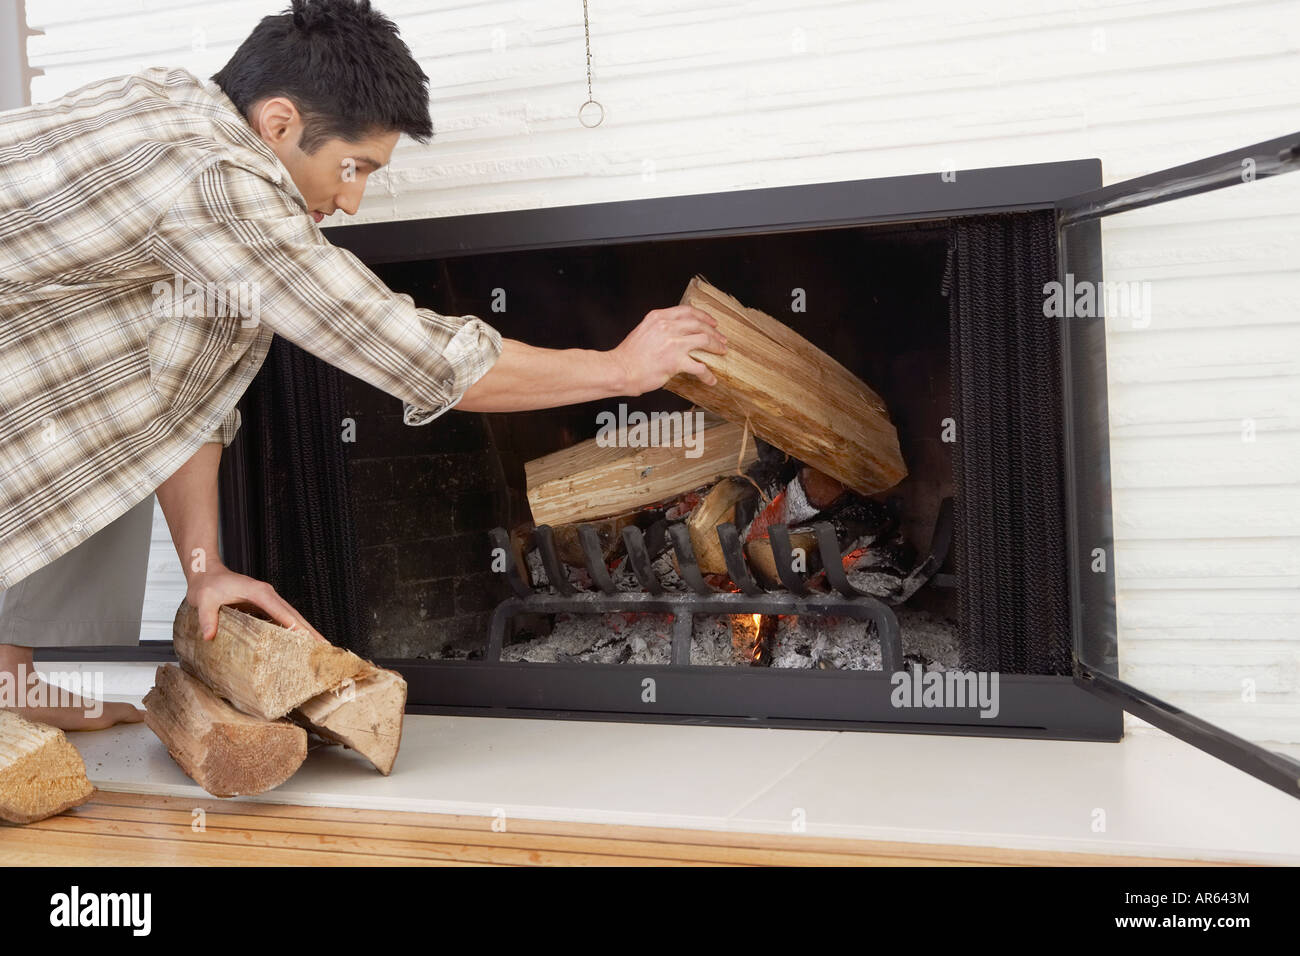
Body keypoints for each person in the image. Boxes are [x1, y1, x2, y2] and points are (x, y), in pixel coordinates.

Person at [0, 0, 725, 730]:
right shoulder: (217, 185)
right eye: (355, 167)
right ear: (278, 123)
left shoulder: (182, 105)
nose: (351, 199)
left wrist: (205, 570)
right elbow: (411, 352)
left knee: (102, 384)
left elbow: (184, 383)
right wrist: (621, 371)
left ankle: (7, 687)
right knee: (94, 394)